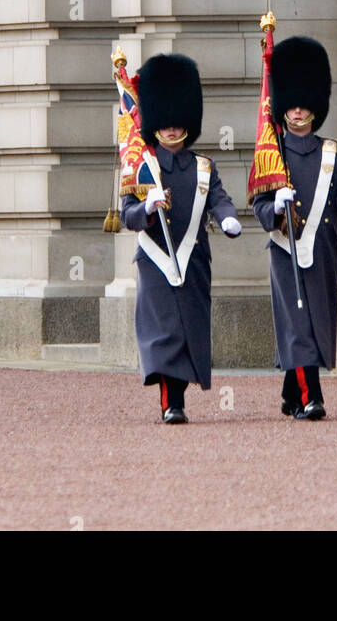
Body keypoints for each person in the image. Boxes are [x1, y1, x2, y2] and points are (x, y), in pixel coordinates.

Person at [121, 53, 241, 423]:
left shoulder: (203, 166)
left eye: (178, 123)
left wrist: (228, 219)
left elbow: (218, 198)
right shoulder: (142, 166)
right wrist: (147, 208)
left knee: (189, 330)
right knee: (165, 332)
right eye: (165, 123)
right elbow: (127, 214)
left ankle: (178, 394)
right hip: (156, 261)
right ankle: (171, 402)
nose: (172, 129)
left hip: (193, 260)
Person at [253, 35, 337, 420]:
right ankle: (311, 397)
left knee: (314, 320)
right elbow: (258, 203)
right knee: (299, 321)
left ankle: (291, 389)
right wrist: (276, 209)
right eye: (293, 104)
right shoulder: (272, 154)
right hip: (286, 250)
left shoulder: (332, 152)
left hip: (322, 251)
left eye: (305, 104)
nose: (299, 111)